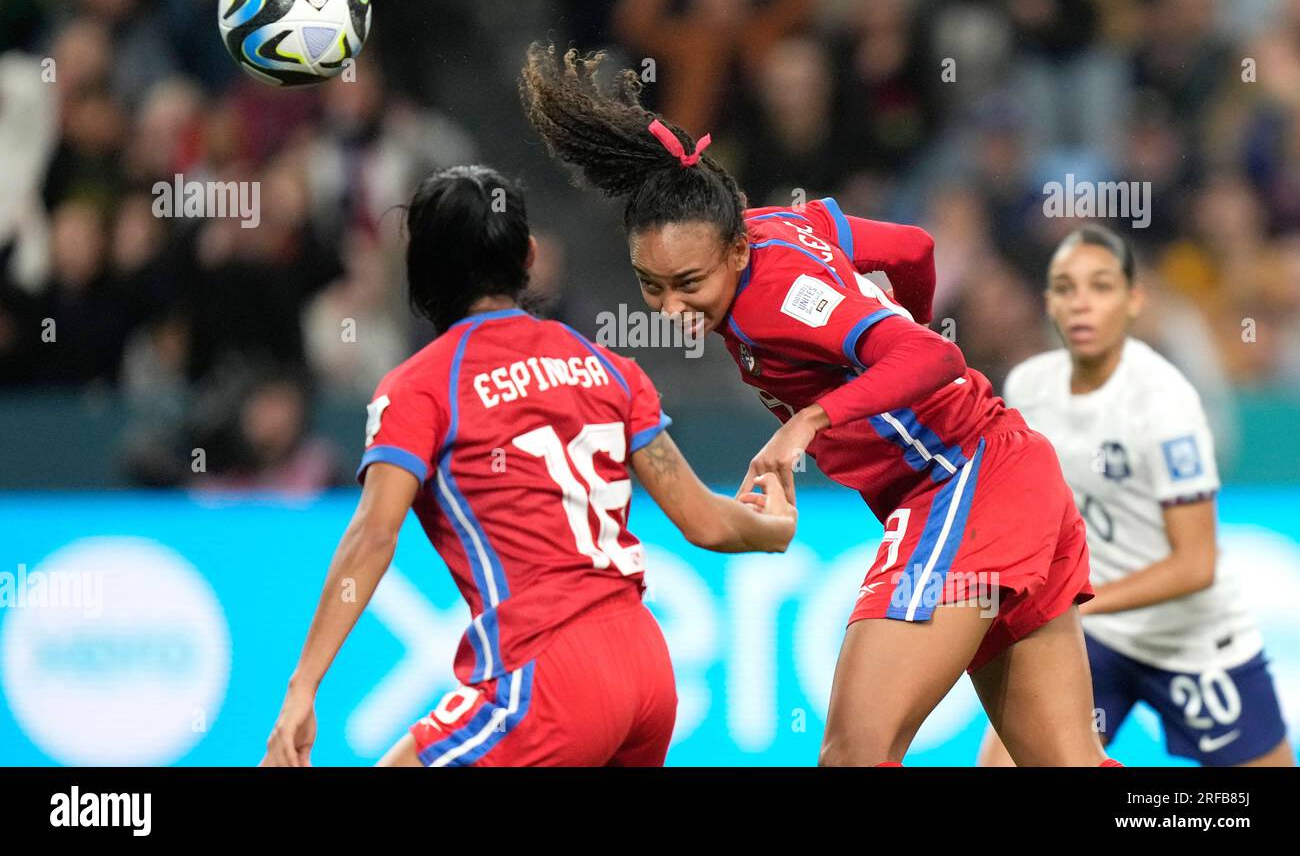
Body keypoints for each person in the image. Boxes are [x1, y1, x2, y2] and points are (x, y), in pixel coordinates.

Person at [519, 43, 1118, 766]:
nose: (672, 306)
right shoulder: (785, 225)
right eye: (651, 285)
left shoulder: (774, 301)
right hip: (1011, 474)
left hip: (961, 486)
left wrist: (818, 414)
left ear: (737, 252)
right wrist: (898, 342)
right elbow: (913, 249)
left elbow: (936, 356)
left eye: (688, 282)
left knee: (852, 755)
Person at [261, 165, 796, 768]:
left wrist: (302, 687)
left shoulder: (422, 388)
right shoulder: (609, 368)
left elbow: (374, 534)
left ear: (420, 269)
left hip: (545, 672)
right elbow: (706, 522)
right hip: (645, 669)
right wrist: (774, 528)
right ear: (530, 255)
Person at [978, 225, 1294, 767]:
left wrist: (1075, 601)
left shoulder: (1165, 402)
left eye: (1101, 286)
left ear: (1133, 301)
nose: (1082, 303)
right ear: (1048, 301)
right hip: (1089, 638)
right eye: (1065, 287)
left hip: (1189, 639)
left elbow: (1195, 564)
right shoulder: (1028, 386)